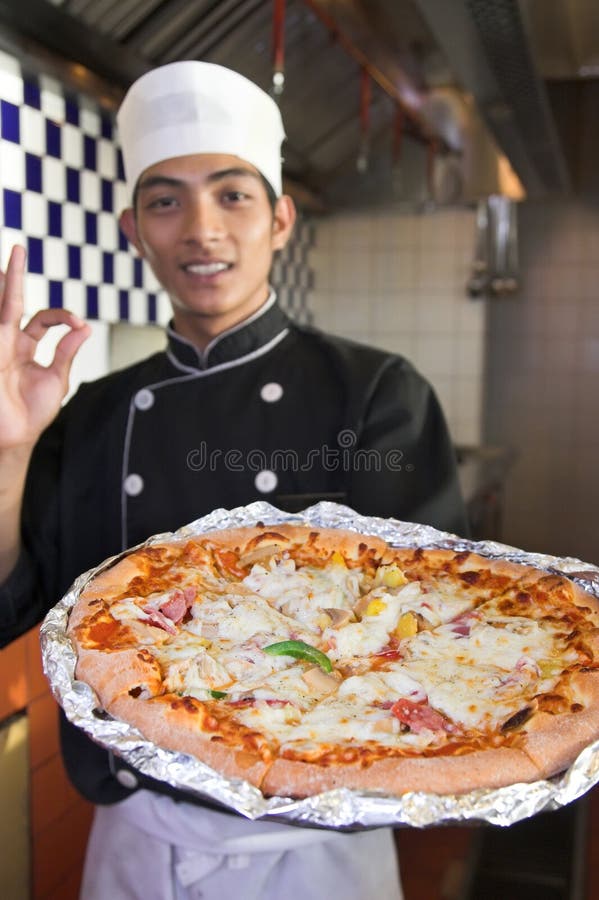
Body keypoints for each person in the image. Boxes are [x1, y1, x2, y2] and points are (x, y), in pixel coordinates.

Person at [0, 61, 467, 899]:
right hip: (136, 832)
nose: (200, 229)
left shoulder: (375, 393)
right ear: (132, 228)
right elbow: (12, 599)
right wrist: (6, 455)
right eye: (165, 200)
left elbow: (429, 638)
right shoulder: (93, 413)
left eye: (232, 195)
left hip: (319, 840)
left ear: (280, 218)